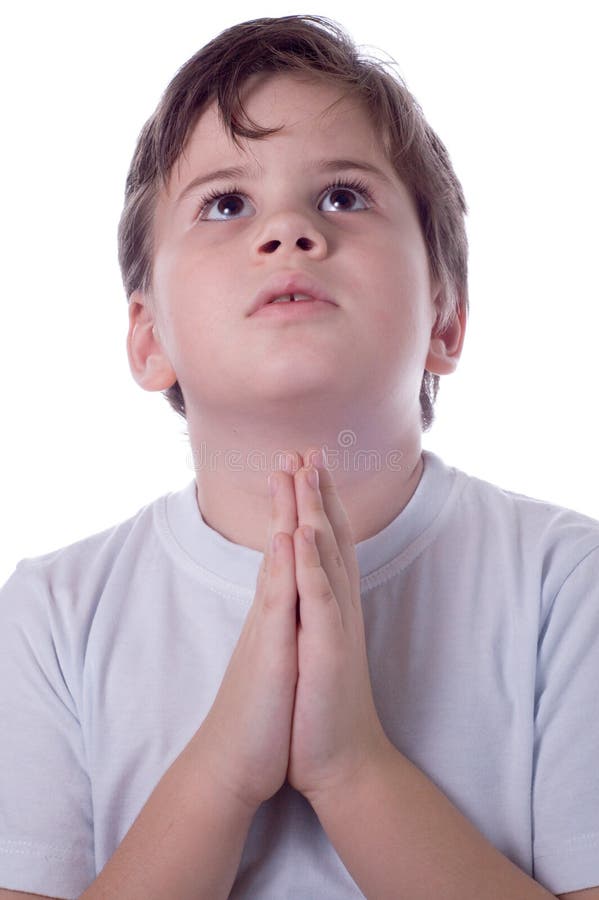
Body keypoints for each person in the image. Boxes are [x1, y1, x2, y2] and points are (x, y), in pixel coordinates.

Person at [0, 14, 598, 900]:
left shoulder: (567, 588)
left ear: (444, 318)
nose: (287, 230)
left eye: (343, 196)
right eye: (226, 204)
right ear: (148, 338)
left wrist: (352, 769)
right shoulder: (50, 618)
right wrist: (220, 773)